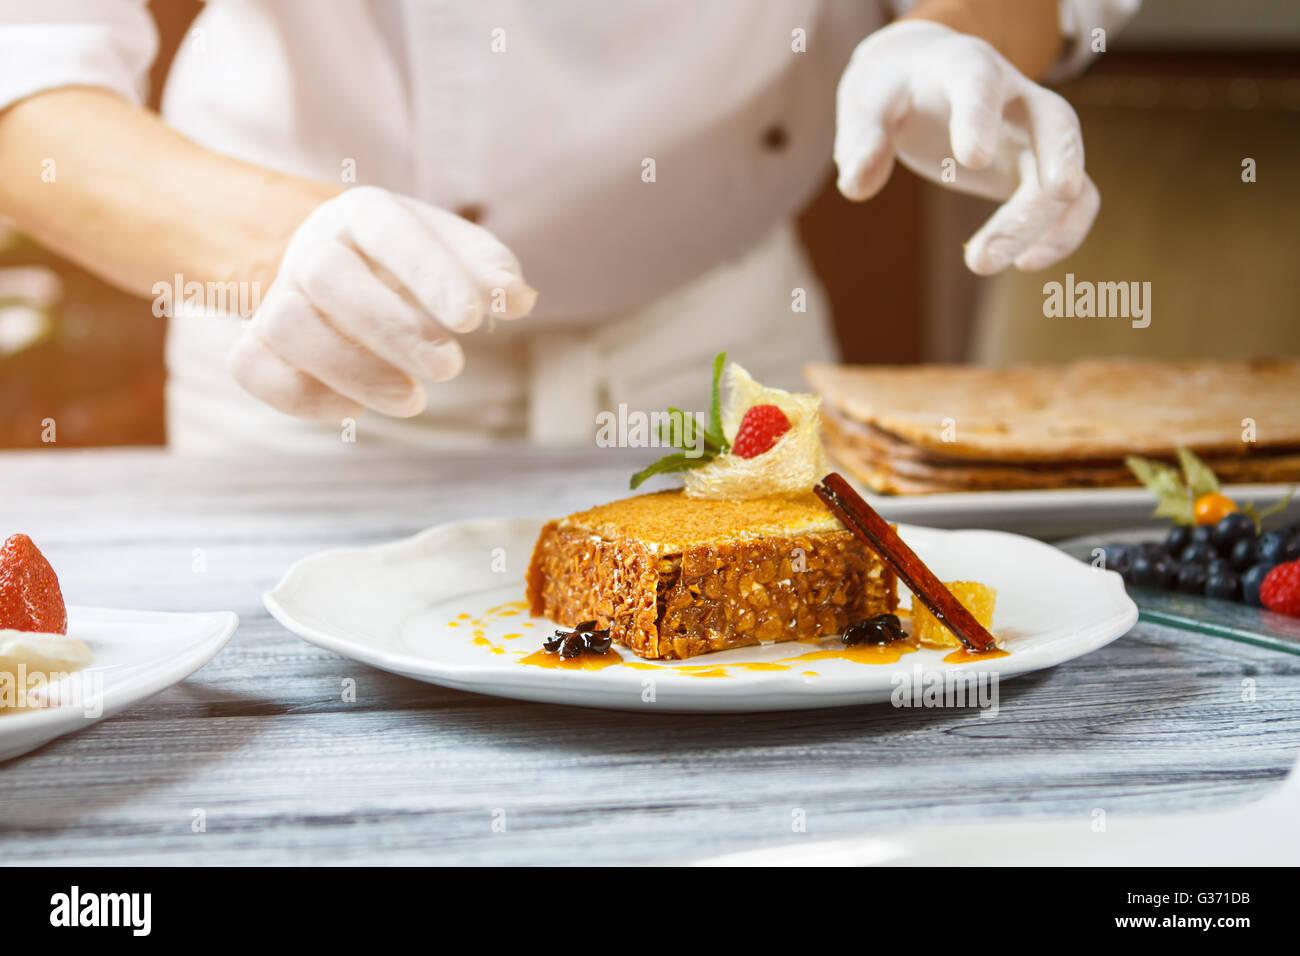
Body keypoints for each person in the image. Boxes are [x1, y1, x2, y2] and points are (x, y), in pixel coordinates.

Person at [0, 0, 1136, 451]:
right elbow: (28, 68)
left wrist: (952, 37)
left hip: (719, 334)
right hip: (317, 353)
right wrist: (277, 246)